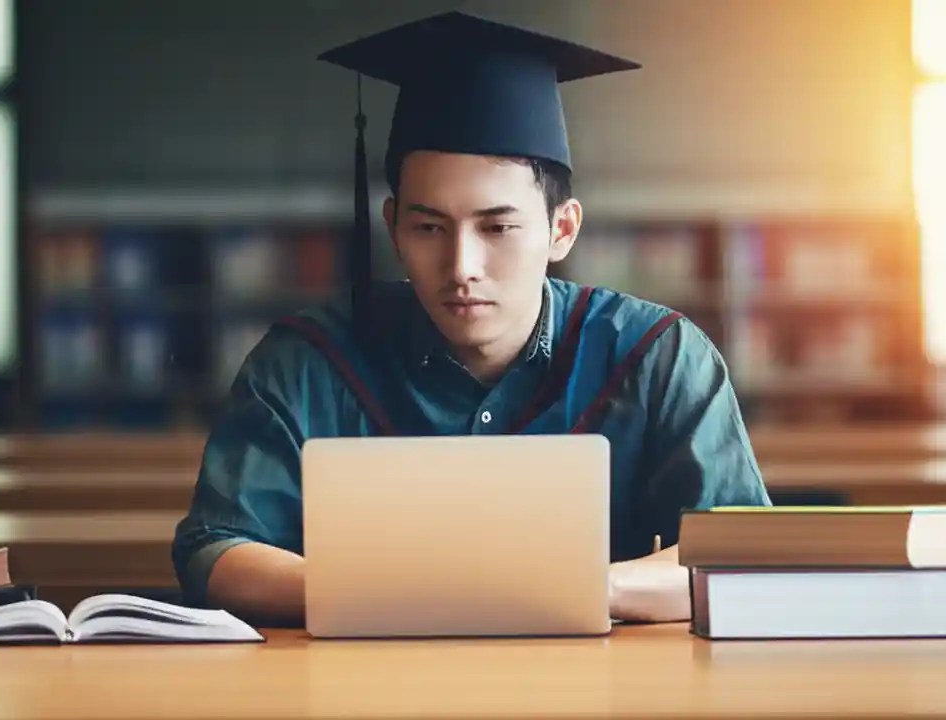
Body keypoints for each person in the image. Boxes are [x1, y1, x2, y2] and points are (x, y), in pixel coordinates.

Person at [173, 11, 770, 627]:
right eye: (429, 226)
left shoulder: (658, 357)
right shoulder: (307, 360)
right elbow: (217, 551)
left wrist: (569, 589)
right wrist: (428, 593)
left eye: (498, 227)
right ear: (392, 226)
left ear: (561, 229)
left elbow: (741, 557)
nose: (462, 266)